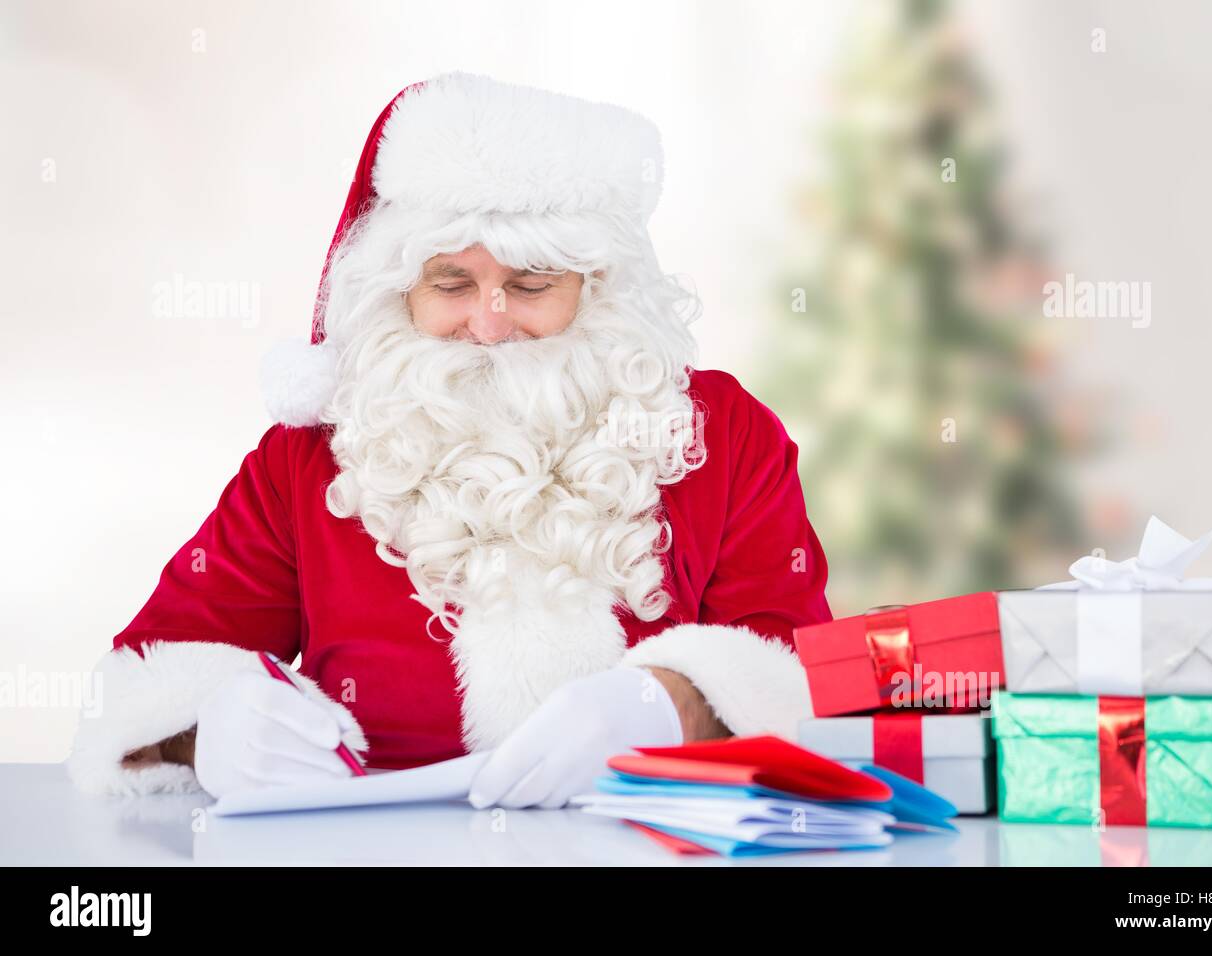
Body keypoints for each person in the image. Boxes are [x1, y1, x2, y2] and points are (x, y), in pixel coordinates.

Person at [68, 73, 832, 809]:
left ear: (598, 285)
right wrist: (202, 732)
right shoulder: (305, 459)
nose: (490, 324)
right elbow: (142, 683)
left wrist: (679, 704)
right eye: (451, 284)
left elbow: (805, 670)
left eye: (531, 284)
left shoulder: (719, 435)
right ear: (399, 287)